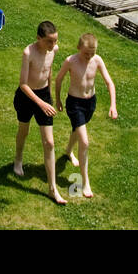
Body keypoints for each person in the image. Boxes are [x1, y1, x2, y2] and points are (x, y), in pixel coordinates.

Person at [55, 33, 118, 199]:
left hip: (90, 103)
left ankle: (68, 151)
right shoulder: (71, 61)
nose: (89, 57)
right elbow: (58, 79)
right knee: (84, 140)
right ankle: (85, 182)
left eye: (92, 53)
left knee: (77, 129)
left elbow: (109, 83)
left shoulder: (97, 60)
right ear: (78, 48)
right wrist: (58, 99)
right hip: (75, 104)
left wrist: (113, 105)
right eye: (86, 54)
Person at [14, 21, 65, 204]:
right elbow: (23, 84)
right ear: (38, 39)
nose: (52, 46)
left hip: (43, 95)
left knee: (49, 142)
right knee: (24, 130)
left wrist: (50, 97)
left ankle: (52, 188)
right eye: (49, 42)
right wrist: (41, 103)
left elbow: (48, 71)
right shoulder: (28, 53)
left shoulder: (54, 50)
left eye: (55, 41)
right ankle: (18, 159)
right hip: (26, 96)